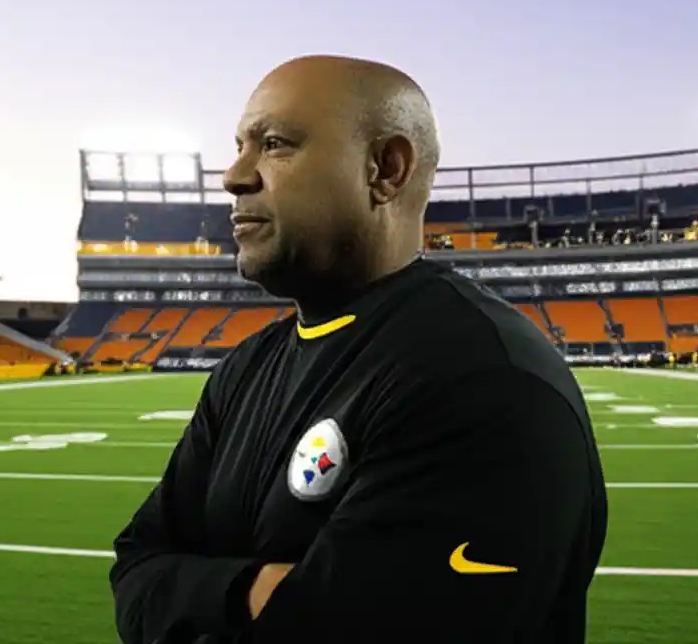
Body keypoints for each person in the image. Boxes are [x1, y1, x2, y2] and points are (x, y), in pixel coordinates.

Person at [109, 55, 607, 644]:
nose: (234, 176)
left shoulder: (485, 379)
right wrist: (256, 591)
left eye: (273, 144)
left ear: (385, 169)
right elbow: (136, 565)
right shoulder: (245, 368)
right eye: (239, 145)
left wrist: (197, 590)